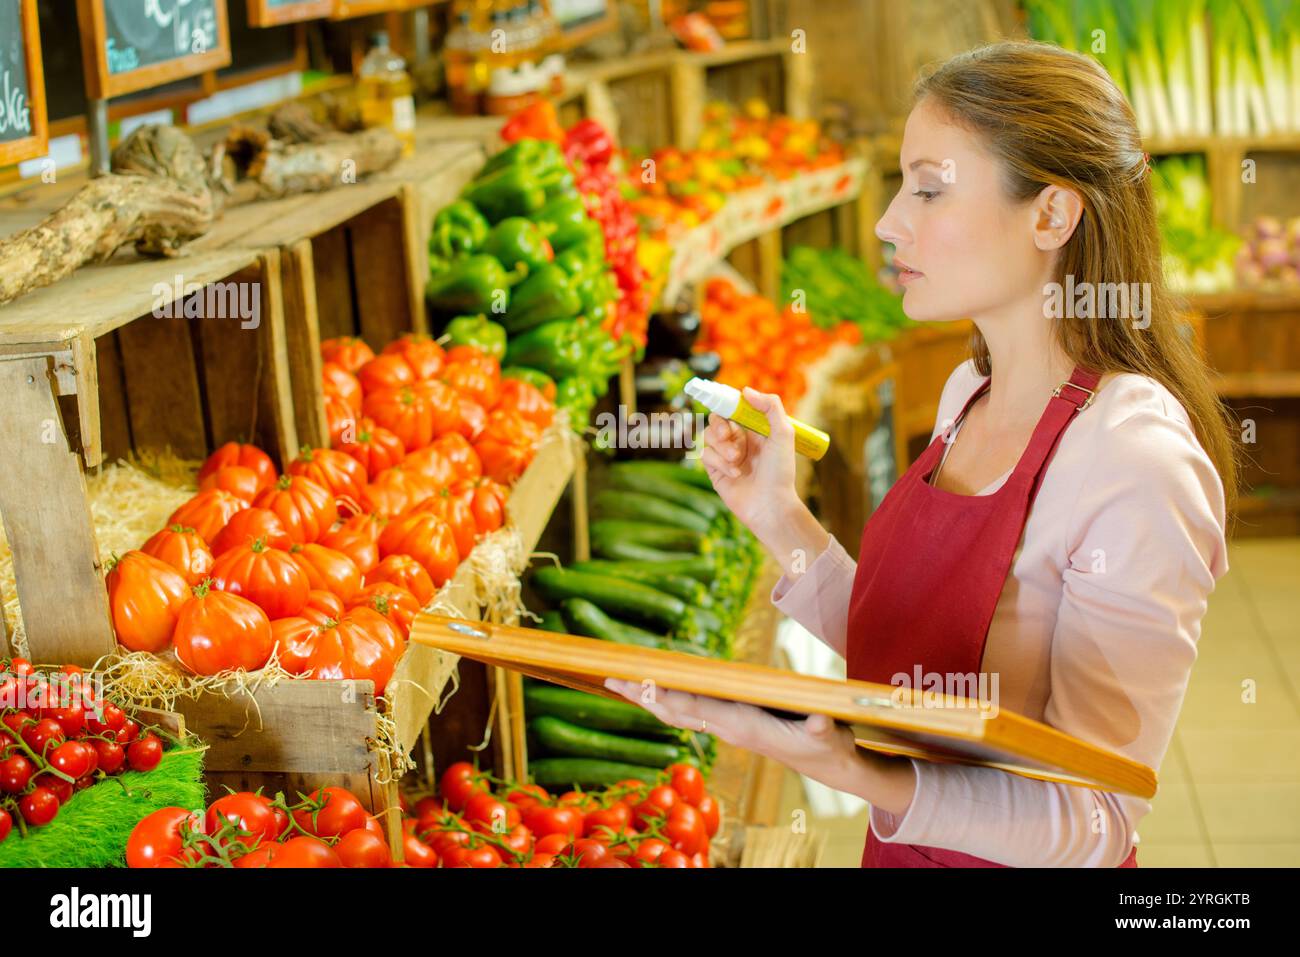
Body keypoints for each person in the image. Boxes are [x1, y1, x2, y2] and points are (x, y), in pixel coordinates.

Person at [606, 40, 1235, 868]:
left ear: (1052, 215)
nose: (888, 220)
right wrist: (777, 515)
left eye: (929, 189)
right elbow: (911, 663)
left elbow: (1098, 818)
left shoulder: (1135, 460)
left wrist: (851, 769)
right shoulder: (965, 391)